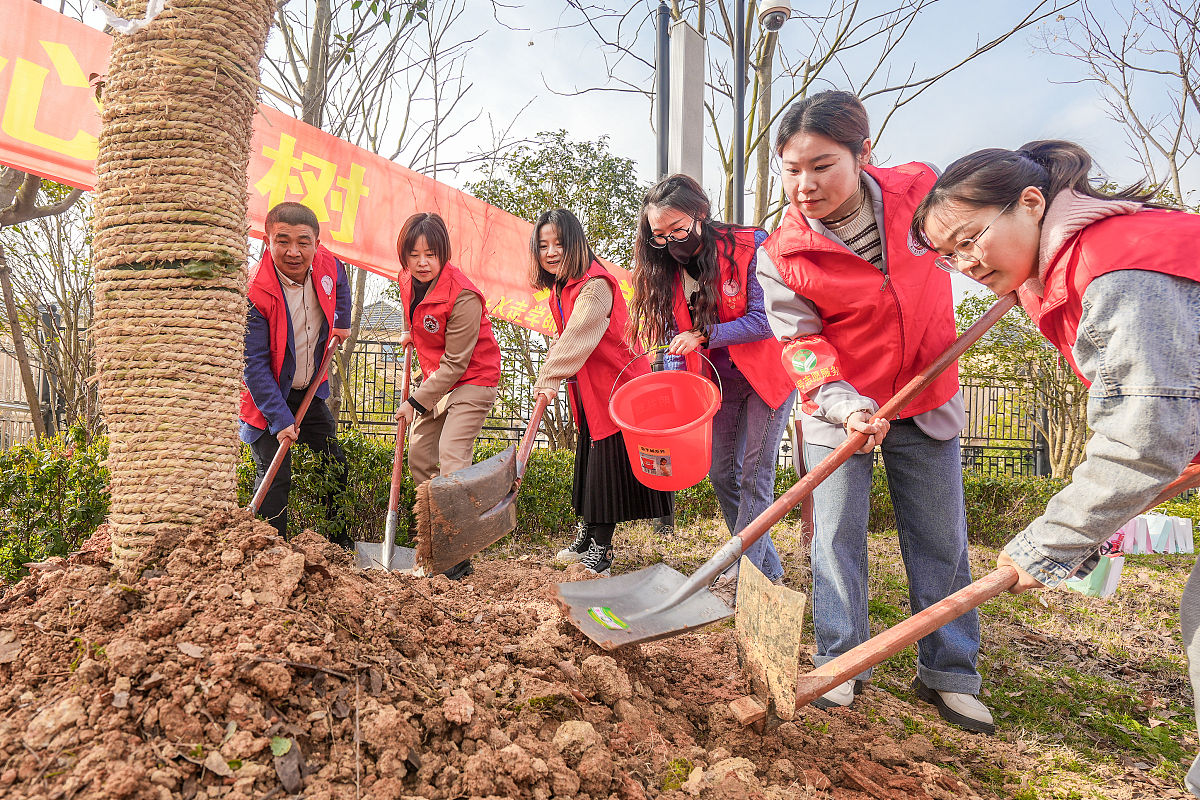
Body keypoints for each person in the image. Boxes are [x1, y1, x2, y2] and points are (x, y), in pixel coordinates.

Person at [911, 140, 1200, 774]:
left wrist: (1052, 541)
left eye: (969, 239)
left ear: (1032, 203)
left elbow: (1144, 436)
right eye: (948, 256)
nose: (963, 264)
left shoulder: (1121, 268)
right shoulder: (1081, 266)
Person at [756, 90, 992, 733]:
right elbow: (800, 347)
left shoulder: (923, 192)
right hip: (841, 407)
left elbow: (981, 238)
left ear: (864, 154)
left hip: (928, 392)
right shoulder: (781, 254)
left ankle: (949, 672)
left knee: (940, 539)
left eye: (822, 165)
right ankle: (842, 664)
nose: (805, 185)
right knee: (835, 540)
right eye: (791, 169)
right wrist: (843, 403)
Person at [627, 174, 797, 607]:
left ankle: (747, 578)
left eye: (678, 229)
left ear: (701, 214)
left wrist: (705, 334)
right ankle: (766, 566)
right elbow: (671, 327)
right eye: (659, 235)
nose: (670, 241)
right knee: (722, 474)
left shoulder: (750, 245)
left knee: (753, 476)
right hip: (719, 382)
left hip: (766, 374)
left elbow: (765, 319)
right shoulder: (664, 265)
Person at [532, 209, 673, 576]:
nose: (550, 252)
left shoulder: (595, 286)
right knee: (591, 464)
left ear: (576, 244)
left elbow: (577, 335)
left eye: (559, 244)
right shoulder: (563, 288)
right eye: (543, 245)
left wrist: (548, 376)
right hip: (592, 392)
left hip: (618, 389)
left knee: (607, 468)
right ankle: (588, 536)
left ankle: (602, 550)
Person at [393, 212, 502, 581]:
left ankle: (457, 554)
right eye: (414, 254)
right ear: (404, 256)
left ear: (444, 254)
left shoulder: (464, 295)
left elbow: (457, 364)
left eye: (431, 254)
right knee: (420, 458)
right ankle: (432, 542)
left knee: (452, 458)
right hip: (437, 379)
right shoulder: (407, 280)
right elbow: (419, 318)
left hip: (472, 379)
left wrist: (413, 402)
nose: (422, 262)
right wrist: (410, 332)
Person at [241, 202, 352, 545]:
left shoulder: (328, 264)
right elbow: (254, 365)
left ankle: (340, 544)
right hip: (266, 397)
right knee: (276, 476)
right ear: (267, 240)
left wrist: (342, 324)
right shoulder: (254, 291)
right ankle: (272, 550)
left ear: (316, 244)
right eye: (282, 241)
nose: (293, 251)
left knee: (333, 463)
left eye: (303, 242)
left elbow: (341, 285)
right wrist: (279, 417)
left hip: (307, 389)